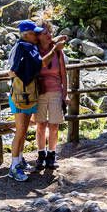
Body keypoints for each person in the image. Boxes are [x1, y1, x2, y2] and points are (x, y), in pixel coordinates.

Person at [7, 21, 44, 181]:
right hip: (20, 96)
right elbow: (12, 71)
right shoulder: (20, 47)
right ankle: (13, 167)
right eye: (34, 33)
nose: (37, 35)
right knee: (20, 131)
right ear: (26, 34)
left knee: (24, 130)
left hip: (28, 95)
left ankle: (20, 160)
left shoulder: (30, 47)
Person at [32, 21, 68, 172]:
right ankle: (41, 155)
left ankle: (52, 156)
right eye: (45, 33)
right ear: (38, 36)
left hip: (55, 92)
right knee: (40, 125)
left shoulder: (58, 51)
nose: (49, 35)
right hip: (39, 92)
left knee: (54, 126)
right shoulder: (34, 51)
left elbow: (63, 74)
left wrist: (65, 95)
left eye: (50, 32)